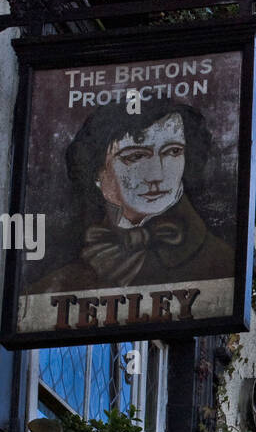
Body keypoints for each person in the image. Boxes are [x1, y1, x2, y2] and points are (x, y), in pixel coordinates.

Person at [31, 98, 234, 292]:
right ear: (96, 171)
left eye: (172, 152)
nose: (156, 175)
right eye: (135, 156)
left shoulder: (222, 264)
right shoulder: (52, 285)